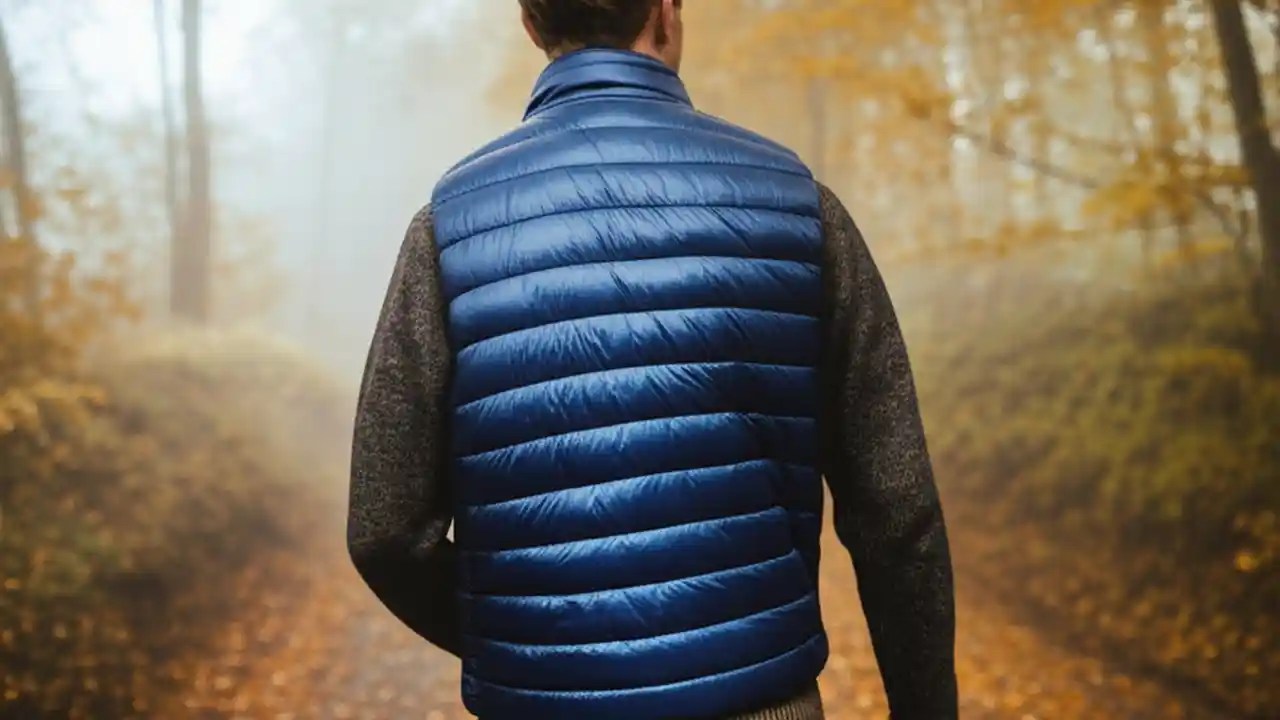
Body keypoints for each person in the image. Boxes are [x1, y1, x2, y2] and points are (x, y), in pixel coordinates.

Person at [346, 1, 957, 718]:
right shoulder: (795, 203)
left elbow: (384, 530)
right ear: (667, 14)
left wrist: (530, 639)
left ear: (531, 24)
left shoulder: (449, 225)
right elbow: (898, 515)